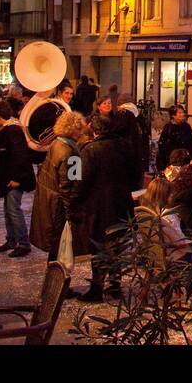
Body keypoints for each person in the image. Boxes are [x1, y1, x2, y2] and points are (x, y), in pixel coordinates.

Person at [70, 109, 137, 301]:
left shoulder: (90, 150)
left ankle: (97, 288)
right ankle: (115, 285)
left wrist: (74, 203)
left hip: (99, 205)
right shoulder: (125, 146)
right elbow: (134, 175)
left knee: (99, 246)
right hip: (122, 202)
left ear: (95, 131)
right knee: (117, 244)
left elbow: (80, 181)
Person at [29, 110, 90, 266]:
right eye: (79, 128)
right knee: (59, 248)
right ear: (73, 129)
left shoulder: (56, 143)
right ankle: (57, 284)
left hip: (49, 201)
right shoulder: (73, 152)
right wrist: (72, 211)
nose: (82, 131)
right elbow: (71, 184)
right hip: (59, 208)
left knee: (55, 248)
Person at [0, 100, 36, 257]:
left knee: (13, 209)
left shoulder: (13, 130)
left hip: (15, 178)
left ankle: (23, 243)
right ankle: (11, 239)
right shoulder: (7, 129)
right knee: (8, 210)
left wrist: (17, 178)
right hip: (8, 177)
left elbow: (20, 156)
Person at [156, 104, 192, 170]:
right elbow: (162, 144)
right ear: (173, 115)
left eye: (183, 112)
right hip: (172, 161)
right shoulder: (168, 127)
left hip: (185, 159)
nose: (182, 114)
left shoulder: (186, 126)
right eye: (180, 113)